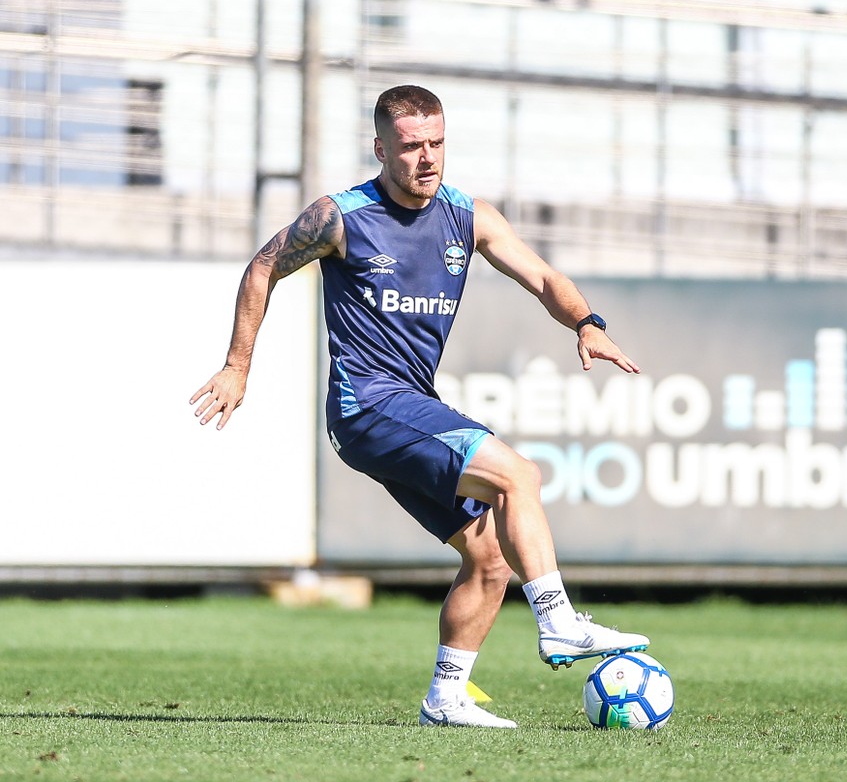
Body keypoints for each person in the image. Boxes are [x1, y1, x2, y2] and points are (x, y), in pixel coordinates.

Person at [190, 84, 649, 729]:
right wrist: (238, 367)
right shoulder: (342, 217)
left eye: (436, 144)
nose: (426, 158)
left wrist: (586, 322)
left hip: (409, 403)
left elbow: (544, 277)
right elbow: (261, 268)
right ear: (380, 148)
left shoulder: (468, 216)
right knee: (520, 475)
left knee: (490, 557)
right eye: (410, 147)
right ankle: (558, 621)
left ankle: (448, 696)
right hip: (367, 405)